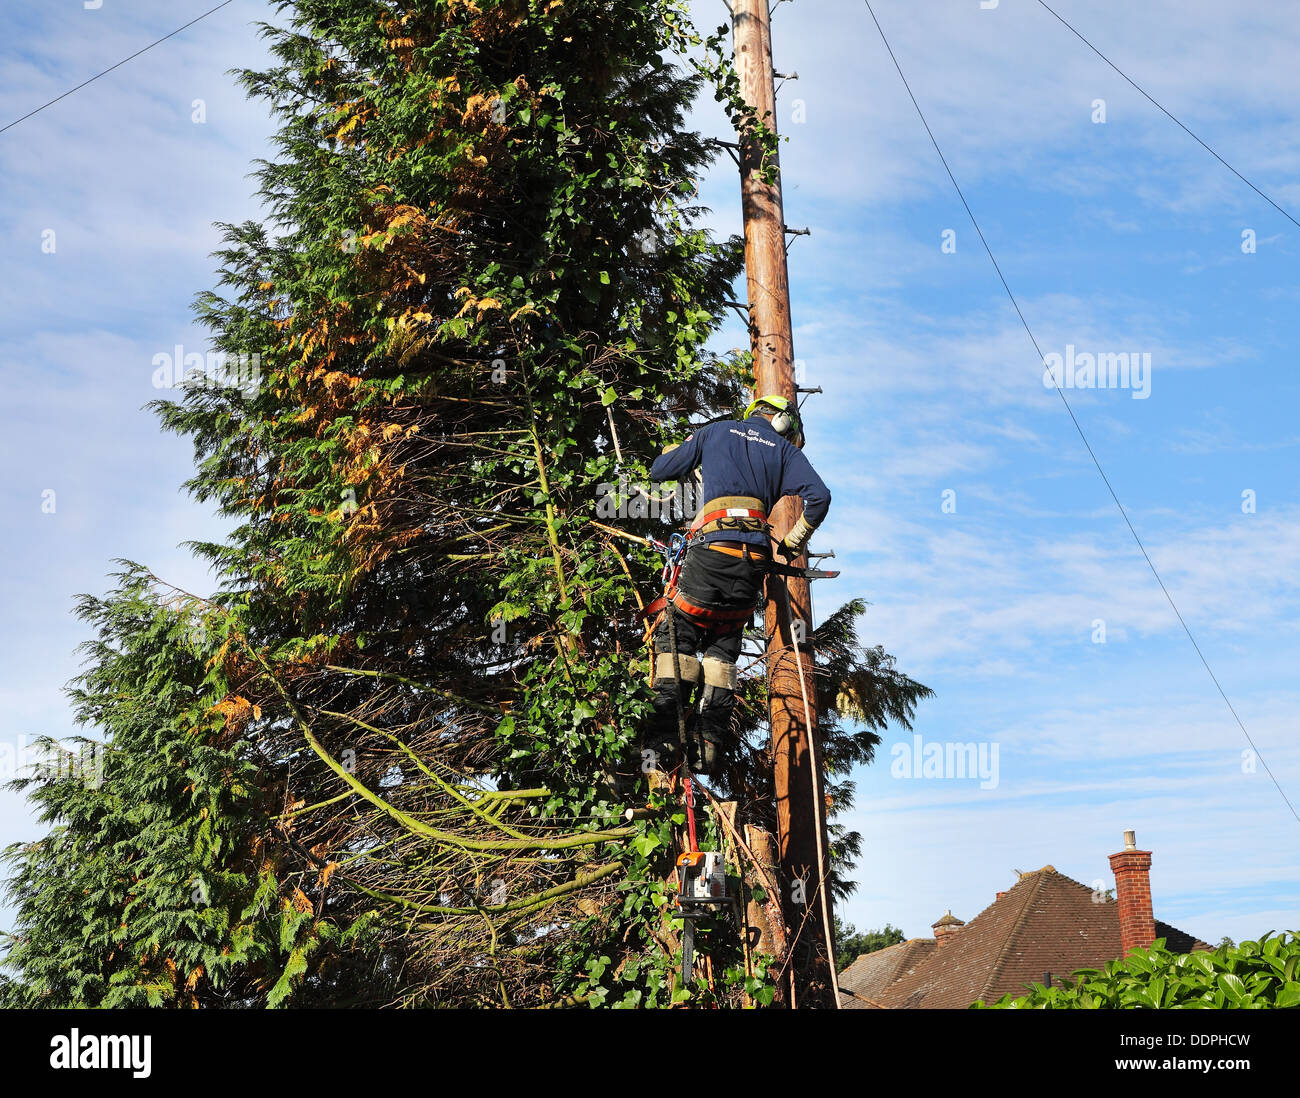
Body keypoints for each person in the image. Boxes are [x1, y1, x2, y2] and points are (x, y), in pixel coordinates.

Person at [643, 395, 831, 775]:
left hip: (712, 548)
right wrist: (794, 541)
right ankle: (708, 746)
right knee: (724, 641)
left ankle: (662, 741)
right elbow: (820, 497)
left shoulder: (713, 432)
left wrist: (681, 453)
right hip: (754, 563)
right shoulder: (783, 451)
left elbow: (658, 471)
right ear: (782, 423)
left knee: (678, 632)